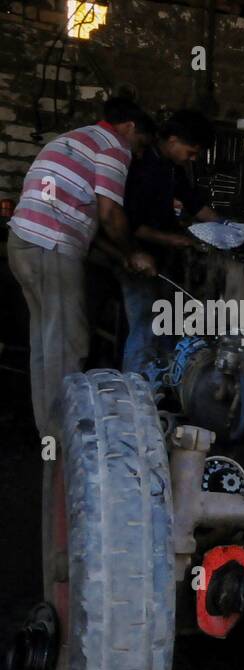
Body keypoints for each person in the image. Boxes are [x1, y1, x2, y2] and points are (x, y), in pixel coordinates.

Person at [8, 96, 156, 437]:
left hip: (24, 243)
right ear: (130, 128)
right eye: (141, 144)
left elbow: (82, 220)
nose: (138, 154)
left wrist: (119, 255)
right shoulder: (114, 147)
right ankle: (63, 440)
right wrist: (134, 252)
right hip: (51, 247)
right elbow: (110, 215)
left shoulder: (75, 138)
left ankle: (48, 433)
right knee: (68, 345)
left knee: (46, 343)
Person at [120, 108, 220, 376]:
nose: (193, 158)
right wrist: (174, 239)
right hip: (138, 257)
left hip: (163, 259)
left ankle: (166, 381)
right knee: (145, 323)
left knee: (166, 324)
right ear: (173, 140)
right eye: (191, 152)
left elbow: (195, 204)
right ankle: (135, 384)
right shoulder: (141, 167)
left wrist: (224, 228)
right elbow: (133, 225)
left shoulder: (173, 169)